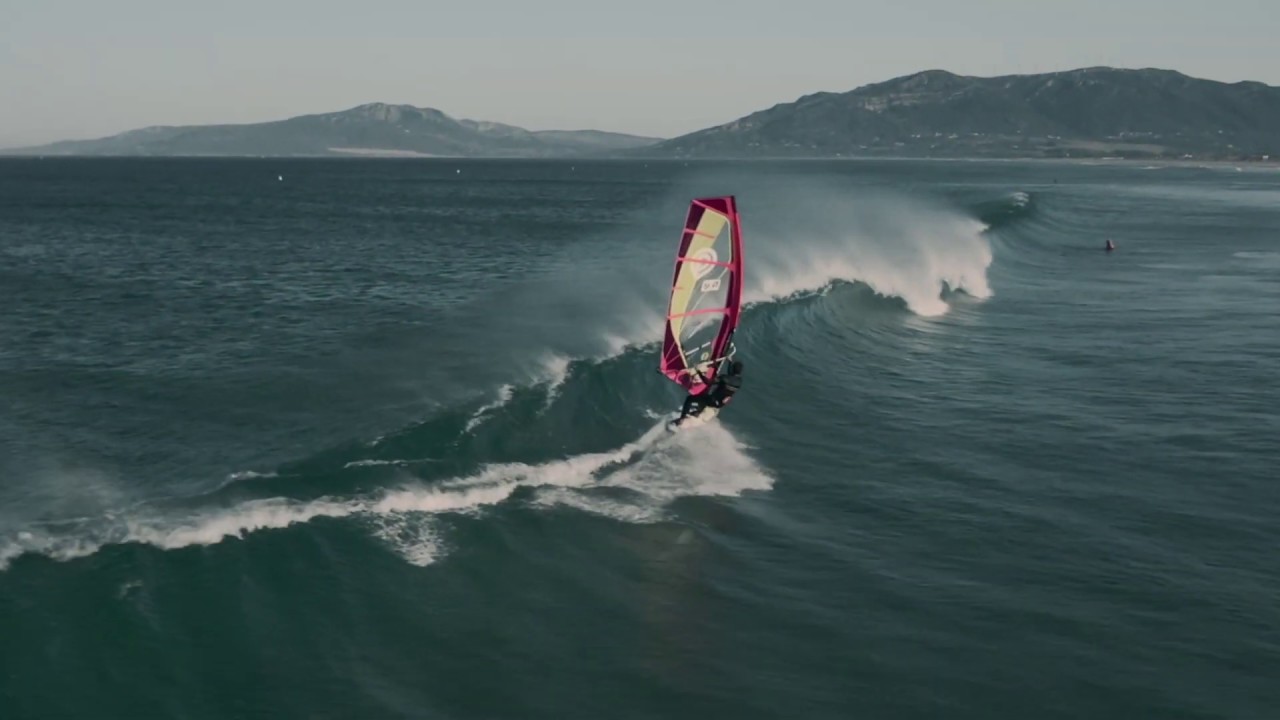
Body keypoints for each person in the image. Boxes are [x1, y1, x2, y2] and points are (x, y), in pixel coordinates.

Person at [678, 360, 744, 421]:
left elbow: (708, 382)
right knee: (705, 397)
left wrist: (699, 372)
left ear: (733, 369)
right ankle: (697, 412)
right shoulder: (739, 382)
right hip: (720, 404)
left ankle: (681, 419)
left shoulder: (724, 378)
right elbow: (731, 376)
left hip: (712, 400)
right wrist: (730, 363)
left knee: (689, 398)